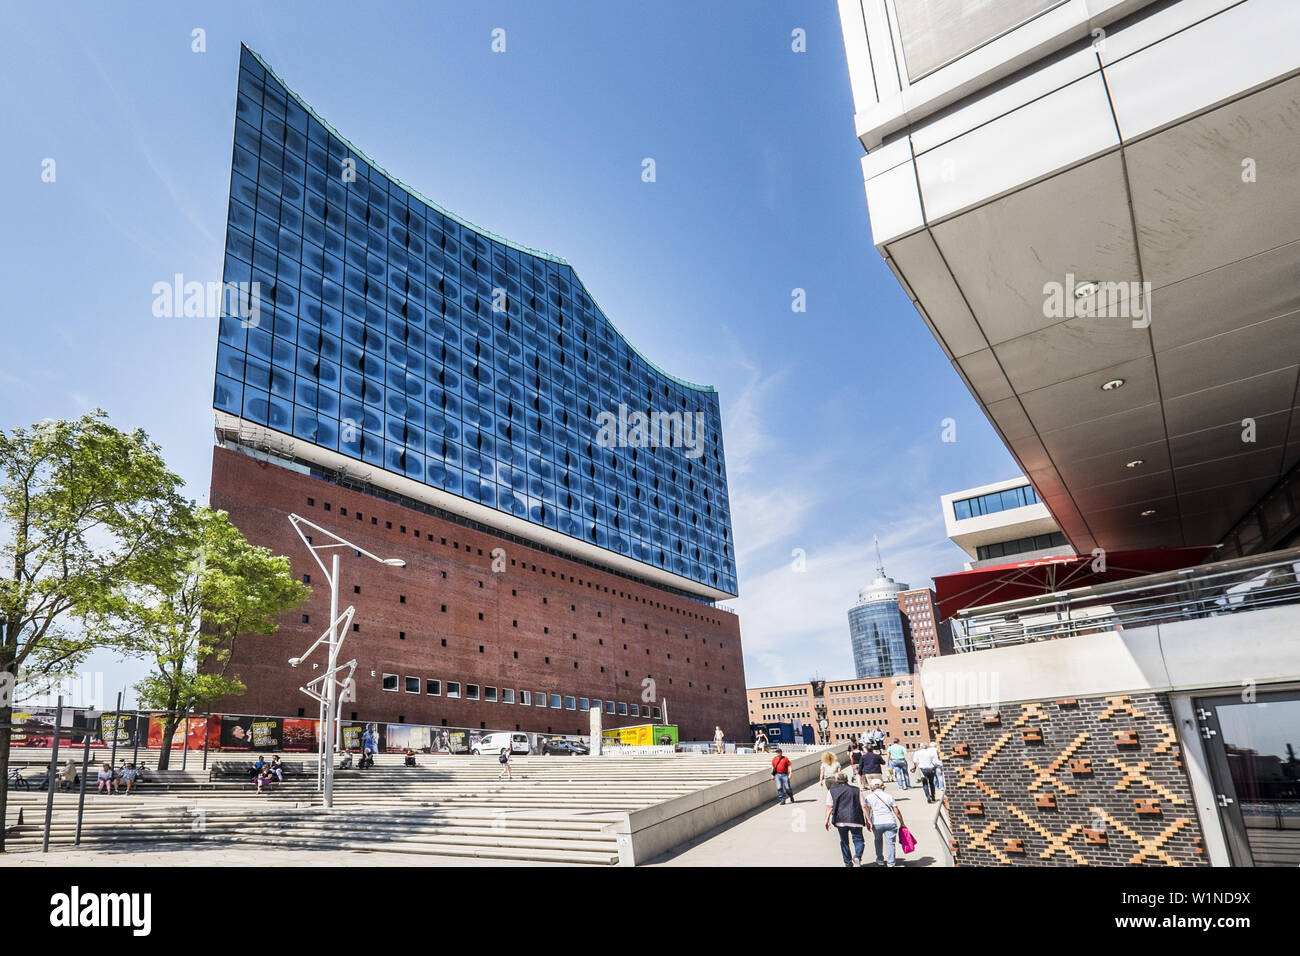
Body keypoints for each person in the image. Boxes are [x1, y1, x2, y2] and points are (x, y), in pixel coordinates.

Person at [824, 773, 867, 867]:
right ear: (847, 779)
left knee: (844, 842)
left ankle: (848, 863)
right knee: (859, 840)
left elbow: (829, 807)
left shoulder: (832, 790)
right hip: (856, 819)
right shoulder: (856, 790)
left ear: (836, 780)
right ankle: (857, 856)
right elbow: (864, 806)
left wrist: (826, 820)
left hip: (840, 820)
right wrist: (868, 820)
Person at [862, 779, 905, 866]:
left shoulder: (869, 797)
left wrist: (868, 821)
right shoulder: (888, 796)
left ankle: (880, 859)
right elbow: (896, 811)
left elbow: (868, 810)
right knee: (890, 843)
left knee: (878, 840)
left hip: (876, 822)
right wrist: (902, 822)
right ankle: (891, 863)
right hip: (890, 821)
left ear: (872, 787)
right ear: (882, 786)